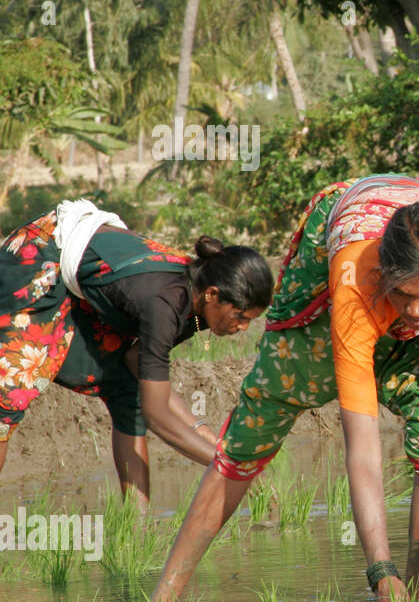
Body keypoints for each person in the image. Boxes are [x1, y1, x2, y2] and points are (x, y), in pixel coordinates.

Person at [150, 173, 419, 602]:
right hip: (332, 269)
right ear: (385, 277)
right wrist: (379, 569)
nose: (418, 310)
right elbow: (362, 450)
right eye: (405, 295)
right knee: (262, 414)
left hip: (407, 257)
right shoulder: (357, 280)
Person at [0, 200, 271, 507]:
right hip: (40, 258)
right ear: (213, 295)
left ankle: (136, 533)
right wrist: (233, 469)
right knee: (8, 397)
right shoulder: (163, 303)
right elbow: (158, 415)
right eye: (241, 316)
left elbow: (136, 362)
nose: (243, 327)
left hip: (78, 276)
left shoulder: (195, 304)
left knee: (128, 391)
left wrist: (213, 442)